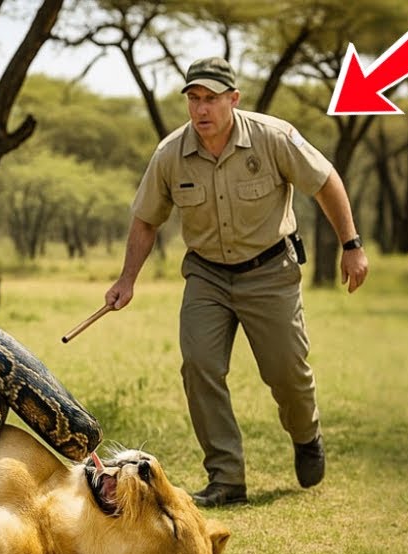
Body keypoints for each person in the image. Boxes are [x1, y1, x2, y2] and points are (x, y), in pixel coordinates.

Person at [105, 57, 369, 507]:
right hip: (206, 274)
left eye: (211, 98)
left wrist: (352, 245)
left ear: (233, 99)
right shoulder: (170, 154)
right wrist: (127, 279)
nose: (201, 109)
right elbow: (147, 219)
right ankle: (226, 477)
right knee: (199, 365)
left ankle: (306, 435)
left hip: (270, 271)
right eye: (193, 98)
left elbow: (326, 181)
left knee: (287, 373)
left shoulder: (273, 137)